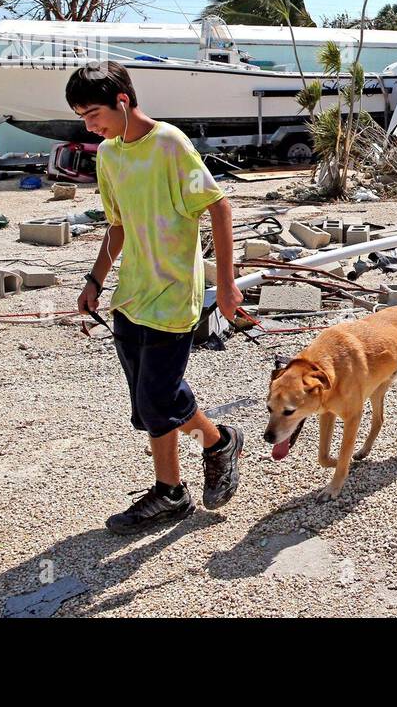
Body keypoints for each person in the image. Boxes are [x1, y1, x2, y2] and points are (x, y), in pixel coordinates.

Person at [67, 61, 245, 535]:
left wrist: (226, 286)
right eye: (82, 117)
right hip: (131, 297)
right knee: (154, 399)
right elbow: (117, 226)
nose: (89, 125)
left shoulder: (169, 144)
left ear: (123, 101)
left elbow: (219, 208)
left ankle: (180, 481)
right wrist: (94, 281)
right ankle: (213, 448)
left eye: (93, 114)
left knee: (154, 399)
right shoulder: (108, 155)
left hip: (171, 298)